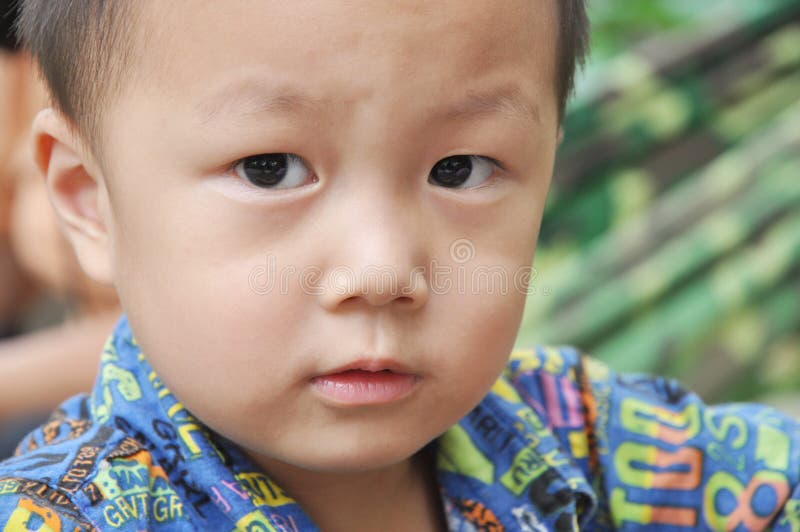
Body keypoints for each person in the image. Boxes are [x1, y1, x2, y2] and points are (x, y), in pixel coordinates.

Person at [0, 1, 798, 530]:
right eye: (270, 168)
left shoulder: (575, 431)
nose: (382, 270)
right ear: (89, 198)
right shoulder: (63, 516)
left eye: (459, 170)